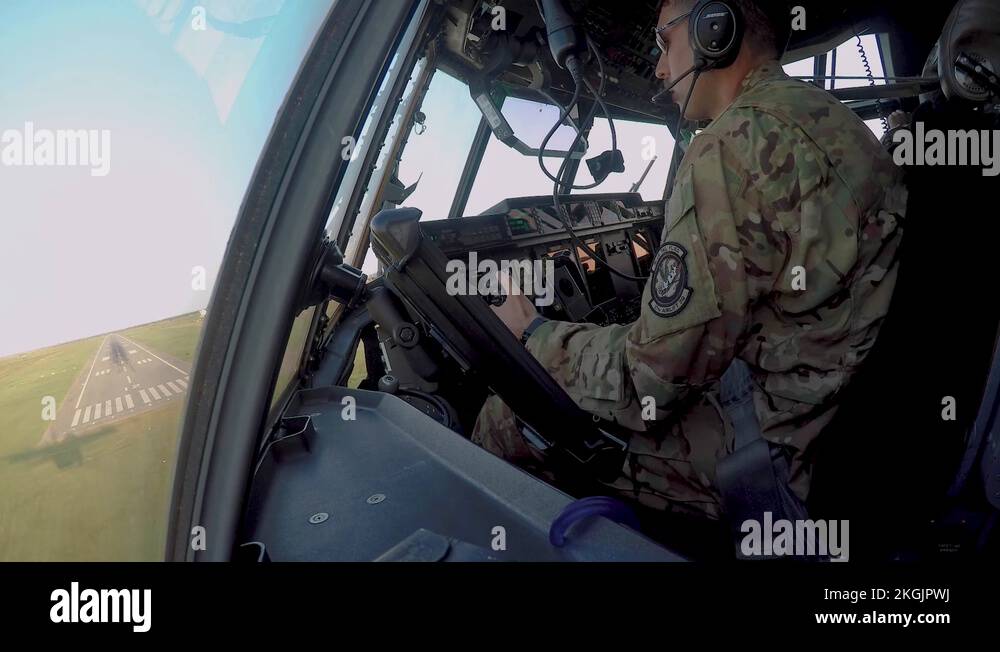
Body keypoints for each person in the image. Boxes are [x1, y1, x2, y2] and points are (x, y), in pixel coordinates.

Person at [472, 0, 907, 522]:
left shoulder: (731, 146)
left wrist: (533, 333)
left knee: (508, 417)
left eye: (664, 42)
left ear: (713, 30)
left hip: (784, 460)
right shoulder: (825, 116)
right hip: (845, 429)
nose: (658, 67)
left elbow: (648, 382)